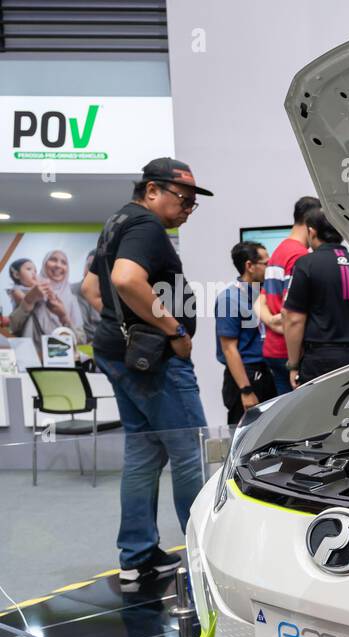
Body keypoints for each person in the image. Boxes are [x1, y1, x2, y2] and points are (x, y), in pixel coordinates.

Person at [80, 157, 212, 586]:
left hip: (123, 356)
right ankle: (204, 556)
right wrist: (169, 328)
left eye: (194, 204)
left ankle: (137, 557)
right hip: (157, 363)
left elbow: (89, 288)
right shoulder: (146, 226)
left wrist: (127, 326)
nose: (189, 209)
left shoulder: (116, 222)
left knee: (143, 455)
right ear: (151, 190)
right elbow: (124, 279)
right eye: (184, 199)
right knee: (189, 452)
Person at [282, 208, 349, 387]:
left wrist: (293, 365)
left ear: (312, 231)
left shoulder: (306, 265)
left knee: (318, 413)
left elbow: (293, 319)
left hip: (320, 362)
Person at [255, 196, 320, 394]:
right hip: (290, 351)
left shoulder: (278, 252)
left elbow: (261, 301)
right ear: (311, 224)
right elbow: (292, 312)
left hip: (273, 349)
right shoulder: (300, 257)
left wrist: (272, 321)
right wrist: (281, 321)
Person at [216, 242, 277, 424]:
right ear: (249, 266)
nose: (270, 268)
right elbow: (229, 349)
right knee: (246, 437)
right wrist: (246, 390)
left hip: (268, 374)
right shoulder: (230, 299)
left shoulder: (266, 294)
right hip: (247, 378)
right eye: (266, 264)